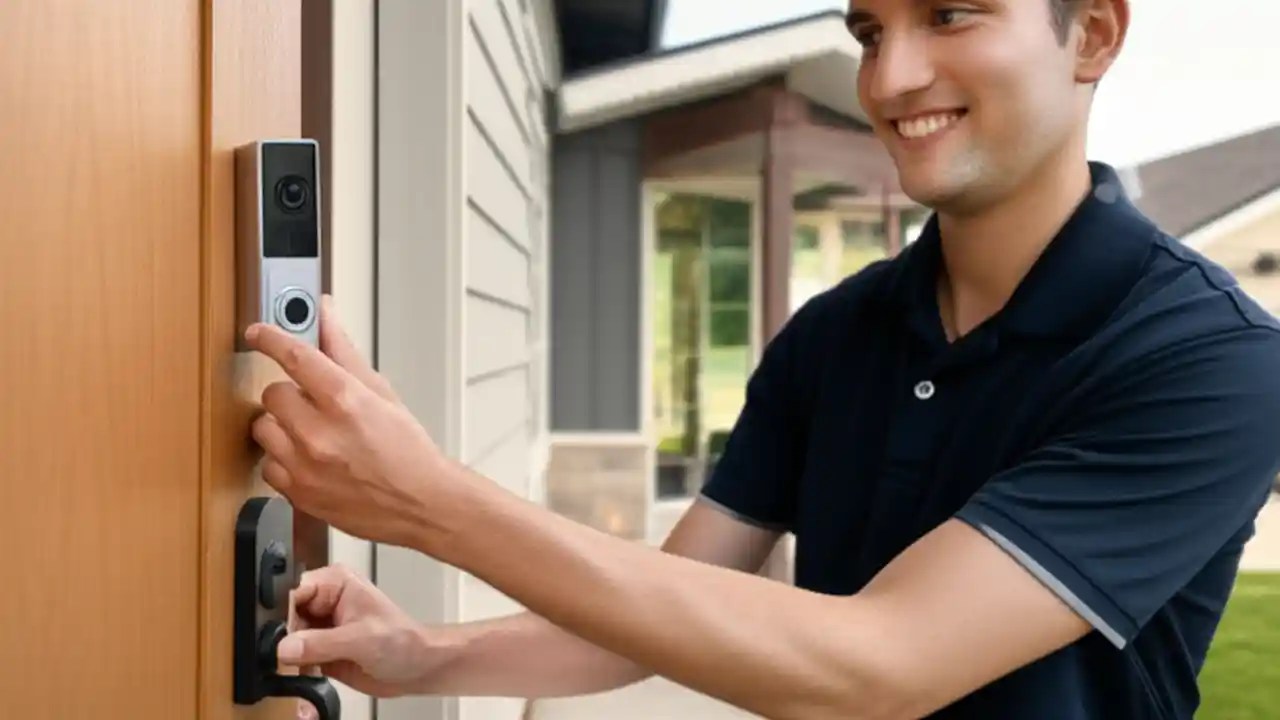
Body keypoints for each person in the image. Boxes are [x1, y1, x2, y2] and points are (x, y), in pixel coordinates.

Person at [245, 0, 1280, 717]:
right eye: (868, 32)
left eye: (948, 15)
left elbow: (881, 670)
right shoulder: (837, 332)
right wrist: (426, 656)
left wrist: (429, 501)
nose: (890, 78)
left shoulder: (1209, 362)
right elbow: (656, 607)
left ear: (1091, 34)